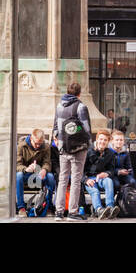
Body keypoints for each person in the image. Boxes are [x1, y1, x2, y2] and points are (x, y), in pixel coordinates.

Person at [52, 81, 93, 221]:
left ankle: (58, 212)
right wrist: (84, 139)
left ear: (67, 92)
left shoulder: (59, 106)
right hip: (78, 148)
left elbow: (55, 128)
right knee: (75, 180)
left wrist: (60, 140)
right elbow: (87, 129)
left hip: (63, 148)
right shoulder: (81, 107)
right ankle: (72, 212)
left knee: (62, 179)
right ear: (79, 93)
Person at [15, 128, 55, 216]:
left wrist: (44, 169)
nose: (38, 146)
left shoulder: (46, 147)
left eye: (40, 144)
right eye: (36, 143)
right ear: (31, 139)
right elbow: (17, 164)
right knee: (18, 176)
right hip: (26, 173)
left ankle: (48, 206)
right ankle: (21, 208)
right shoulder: (21, 146)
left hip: (39, 174)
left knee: (50, 177)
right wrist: (26, 169)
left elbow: (47, 162)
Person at [83, 130, 119, 219]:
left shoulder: (110, 153)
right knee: (95, 191)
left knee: (109, 181)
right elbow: (78, 170)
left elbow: (112, 170)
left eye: (105, 140)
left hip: (101, 178)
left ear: (108, 142)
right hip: (89, 179)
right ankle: (99, 210)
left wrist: (106, 173)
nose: (102, 142)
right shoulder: (88, 151)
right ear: (97, 139)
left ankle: (110, 208)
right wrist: (86, 180)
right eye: (101, 139)